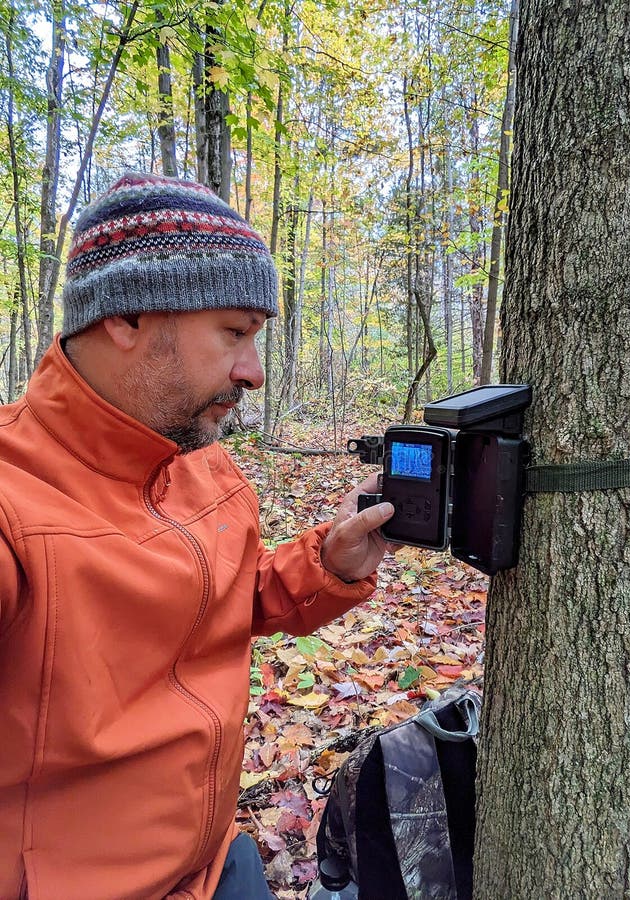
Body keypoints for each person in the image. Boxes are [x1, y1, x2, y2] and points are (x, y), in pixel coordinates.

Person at [0, 173, 395, 900]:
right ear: (130, 317)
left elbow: (224, 600)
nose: (254, 372)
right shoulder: (13, 500)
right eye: (236, 333)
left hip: (218, 862)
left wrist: (326, 563)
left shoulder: (203, 469)